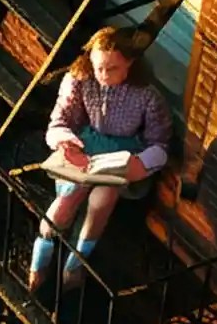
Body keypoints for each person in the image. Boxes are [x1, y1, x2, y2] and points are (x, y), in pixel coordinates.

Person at [28, 26, 173, 292]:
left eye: (112, 68)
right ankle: (39, 261)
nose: (104, 75)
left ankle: (76, 264)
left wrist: (142, 164)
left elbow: (160, 143)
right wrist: (65, 141)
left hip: (121, 154)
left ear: (129, 63)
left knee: (101, 201)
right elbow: (60, 119)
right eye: (99, 68)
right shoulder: (79, 79)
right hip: (86, 146)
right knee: (64, 204)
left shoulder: (148, 96)